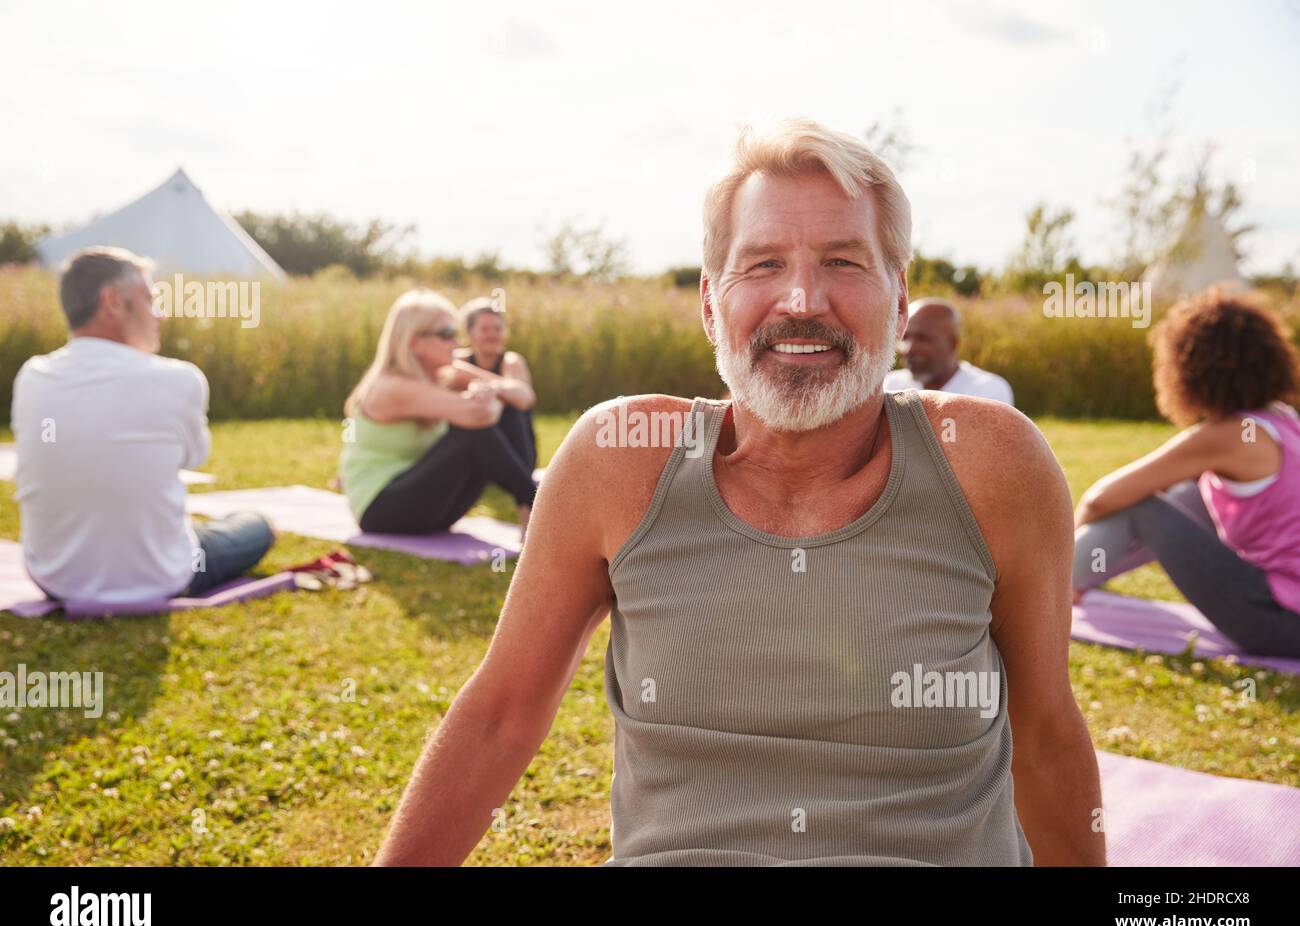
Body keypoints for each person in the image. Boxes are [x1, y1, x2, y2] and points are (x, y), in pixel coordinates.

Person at [375, 119, 1103, 867]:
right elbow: (501, 715)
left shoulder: (992, 465)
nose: (801, 298)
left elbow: (1045, 736)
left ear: (899, 299)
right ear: (708, 303)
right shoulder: (619, 463)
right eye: (761, 264)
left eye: (844, 261)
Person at [11, 246, 274, 604]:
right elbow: (195, 457)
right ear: (113, 302)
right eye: (150, 300)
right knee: (259, 524)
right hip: (160, 576)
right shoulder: (180, 379)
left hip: (54, 578)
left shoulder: (32, 376)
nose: (160, 314)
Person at [1073, 287, 1300, 658]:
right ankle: (1075, 580)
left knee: (1141, 507)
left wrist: (1070, 549)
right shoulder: (1282, 420)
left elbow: (1101, 499)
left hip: (1280, 622)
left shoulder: (1225, 436)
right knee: (1184, 496)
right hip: (1286, 615)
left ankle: (1047, 586)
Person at [338, 289, 538, 539]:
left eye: (456, 333)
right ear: (414, 342)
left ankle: (531, 505)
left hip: (431, 512)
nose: (457, 342)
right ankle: (537, 504)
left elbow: (523, 398)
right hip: (381, 511)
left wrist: (489, 393)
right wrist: (486, 397)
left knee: (503, 412)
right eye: (447, 334)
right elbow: (479, 416)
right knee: (473, 431)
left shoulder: (444, 373)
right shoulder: (391, 387)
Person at [455, 297, 538, 473]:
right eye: (485, 329)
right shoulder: (459, 360)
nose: (492, 334)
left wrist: (491, 388)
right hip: (476, 441)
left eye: (497, 329)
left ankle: (524, 489)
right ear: (470, 333)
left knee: (513, 412)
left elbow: (525, 400)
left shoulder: (511, 361)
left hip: (514, 445)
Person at [883, 298, 1014, 405]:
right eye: (904, 338)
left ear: (952, 343)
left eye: (922, 338)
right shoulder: (891, 385)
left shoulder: (987, 391)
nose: (909, 349)